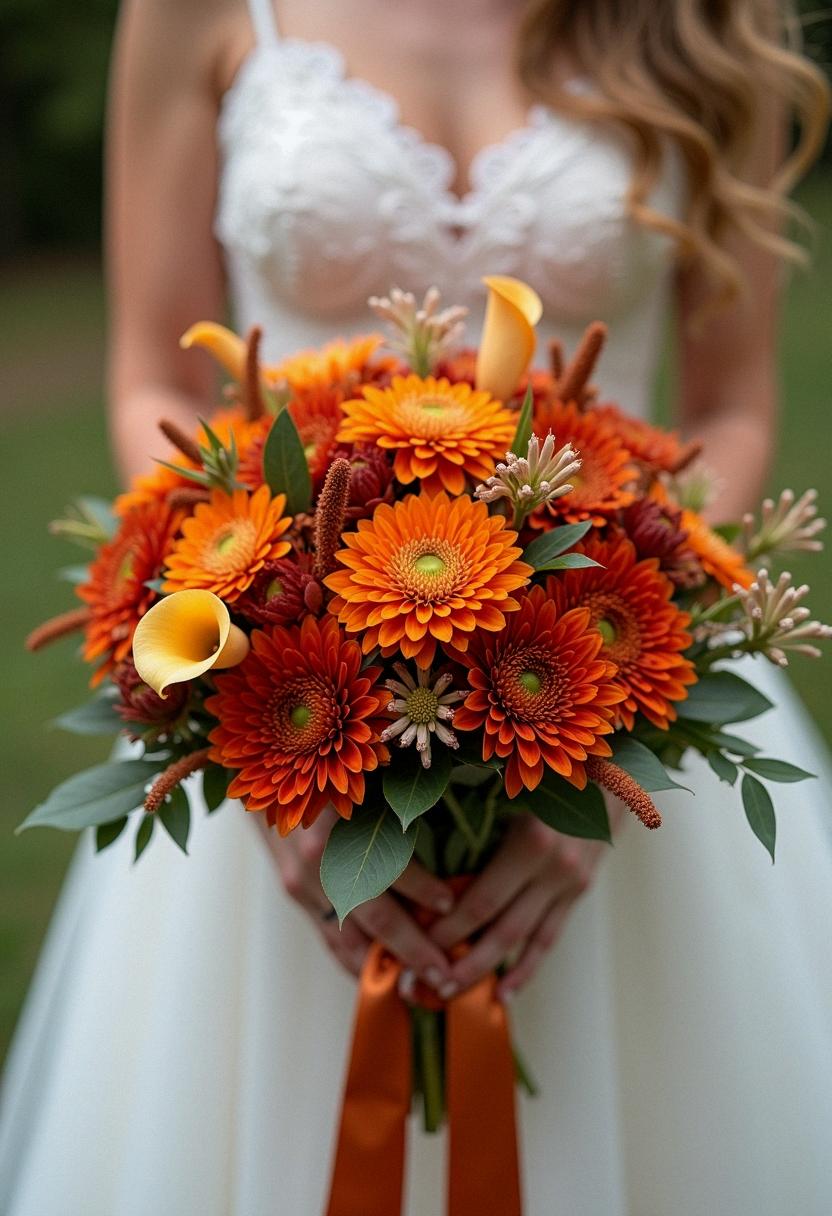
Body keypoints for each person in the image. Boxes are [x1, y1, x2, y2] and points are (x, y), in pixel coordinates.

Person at [2, 1, 831, 1213]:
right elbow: (155, 375)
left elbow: (729, 406)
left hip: (618, 672)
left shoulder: (705, 21)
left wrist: (603, 751)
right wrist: (265, 744)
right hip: (276, 661)